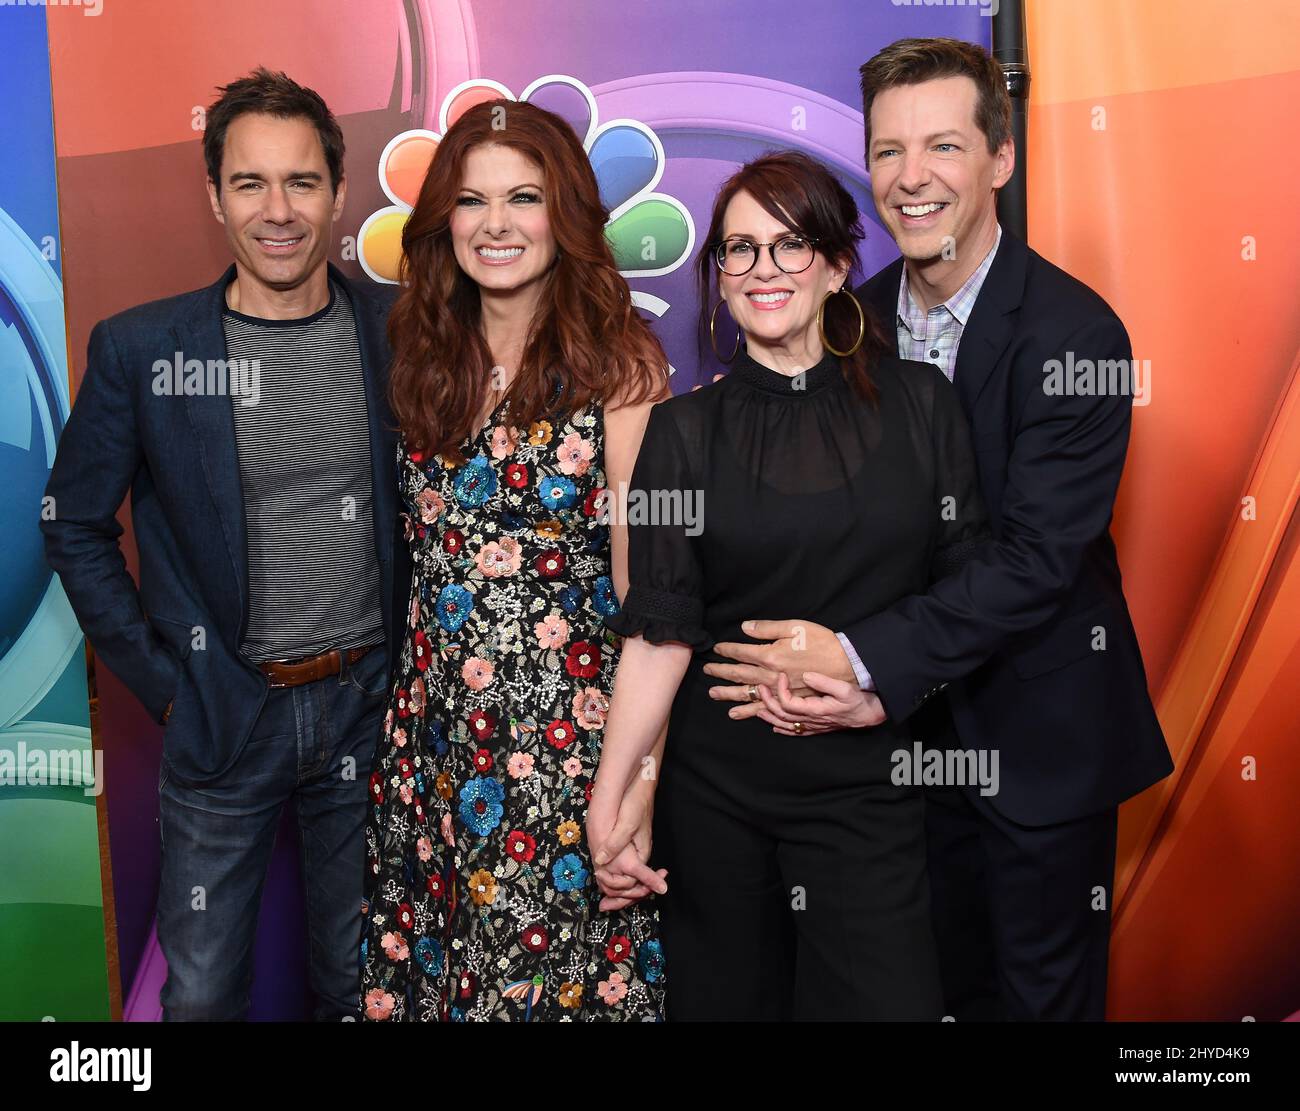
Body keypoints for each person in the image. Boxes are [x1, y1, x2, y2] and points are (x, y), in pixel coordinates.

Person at [706, 38, 1174, 1020]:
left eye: (943, 147)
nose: (910, 179)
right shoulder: (849, 321)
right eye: (887, 151)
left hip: (1033, 744)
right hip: (885, 764)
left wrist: (858, 660)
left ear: (999, 157)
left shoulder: (1077, 336)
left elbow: (1033, 560)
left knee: (1039, 1002)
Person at [41, 68, 408, 1020]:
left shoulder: (398, 331)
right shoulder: (142, 348)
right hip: (222, 716)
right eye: (250, 183)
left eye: (300, 182)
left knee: (360, 982)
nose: (277, 210)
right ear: (214, 196)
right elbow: (71, 524)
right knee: (201, 994)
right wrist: (167, 680)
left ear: (337, 190)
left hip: (368, 707)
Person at [587, 151, 988, 1021]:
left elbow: (970, 596)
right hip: (717, 798)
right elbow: (658, 633)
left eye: (790, 244)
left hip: (869, 792)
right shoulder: (680, 432)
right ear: (719, 276)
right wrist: (611, 795)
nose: (764, 269)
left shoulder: (923, 408)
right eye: (740, 249)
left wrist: (876, 689)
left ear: (840, 264)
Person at [358, 99, 670, 1022]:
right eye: (472, 200)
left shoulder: (621, 369)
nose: (496, 224)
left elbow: (651, 599)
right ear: (443, 220)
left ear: (564, 212)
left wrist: (639, 786)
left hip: (565, 756)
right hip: (433, 748)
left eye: (524, 197)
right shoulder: (421, 357)